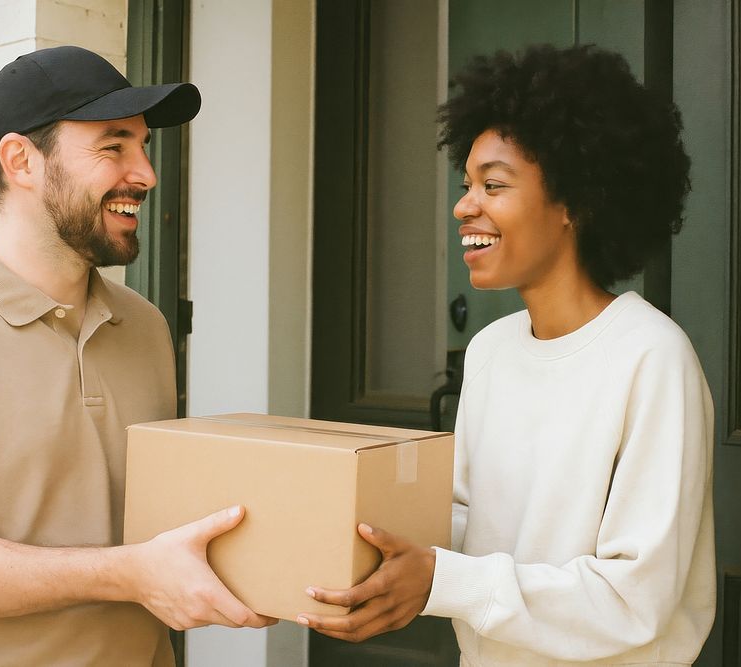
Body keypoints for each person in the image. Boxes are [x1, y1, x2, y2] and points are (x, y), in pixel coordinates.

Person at [0, 45, 273, 666]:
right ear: (21, 160)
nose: (146, 174)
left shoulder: (145, 326)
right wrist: (128, 575)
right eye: (114, 146)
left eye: (144, 147)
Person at [298, 44, 716, 665]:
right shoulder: (492, 350)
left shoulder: (651, 357)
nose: (465, 206)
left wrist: (443, 580)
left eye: (493, 184)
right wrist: (370, 541)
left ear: (577, 201)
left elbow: (636, 599)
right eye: (466, 185)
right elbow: (472, 525)